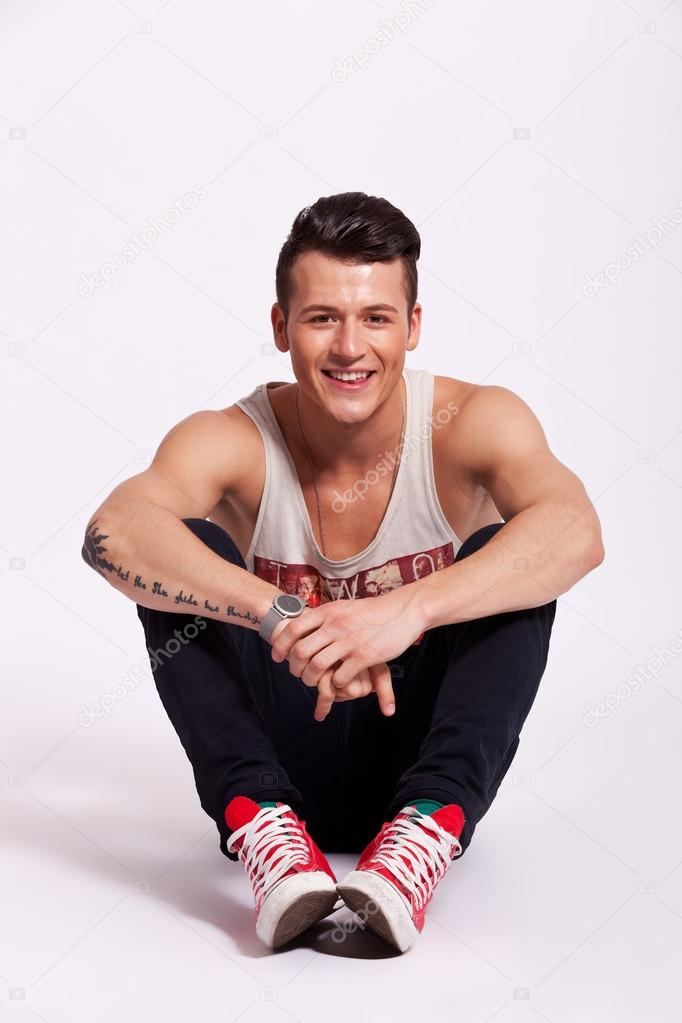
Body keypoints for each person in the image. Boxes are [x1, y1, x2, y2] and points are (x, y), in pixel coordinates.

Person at [81, 192, 604, 953]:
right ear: (281, 327)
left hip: (416, 748)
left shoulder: (474, 422)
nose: (350, 347)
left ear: (413, 327)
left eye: (377, 318)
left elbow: (576, 531)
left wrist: (407, 611)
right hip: (276, 751)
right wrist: (280, 612)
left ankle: (425, 833)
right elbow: (114, 531)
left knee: (510, 547)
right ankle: (265, 834)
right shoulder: (232, 439)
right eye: (323, 317)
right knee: (181, 544)